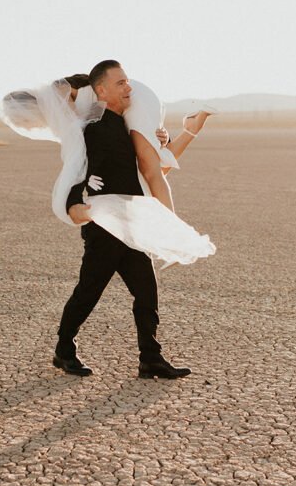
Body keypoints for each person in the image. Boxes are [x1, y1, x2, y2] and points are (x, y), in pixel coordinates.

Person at [53, 60, 196, 379]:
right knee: (88, 291)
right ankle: (64, 349)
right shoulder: (96, 127)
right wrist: (77, 199)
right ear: (101, 90)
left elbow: (149, 168)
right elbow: (81, 167)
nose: (128, 87)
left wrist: (159, 139)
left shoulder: (125, 124)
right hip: (105, 226)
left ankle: (151, 359)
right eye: (120, 83)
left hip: (131, 223)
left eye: (128, 81)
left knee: (146, 291)